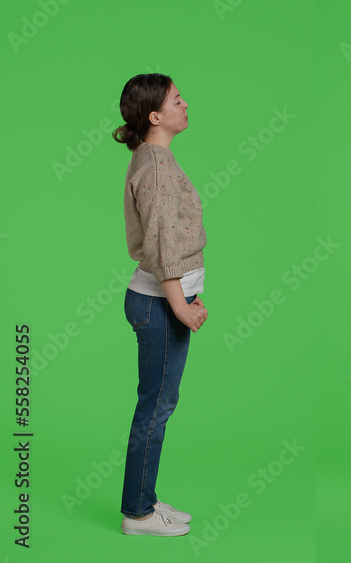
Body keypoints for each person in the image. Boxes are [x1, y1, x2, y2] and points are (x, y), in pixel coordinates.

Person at [114, 73, 208, 536]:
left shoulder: (155, 158)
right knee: (156, 406)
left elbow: (172, 240)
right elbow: (160, 245)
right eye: (176, 99)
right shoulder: (155, 165)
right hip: (159, 303)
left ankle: (144, 499)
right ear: (156, 116)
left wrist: (190, 295)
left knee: (158, 403)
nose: (185, 103)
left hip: (168, 298)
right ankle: (139, 514)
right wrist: (181, 305)